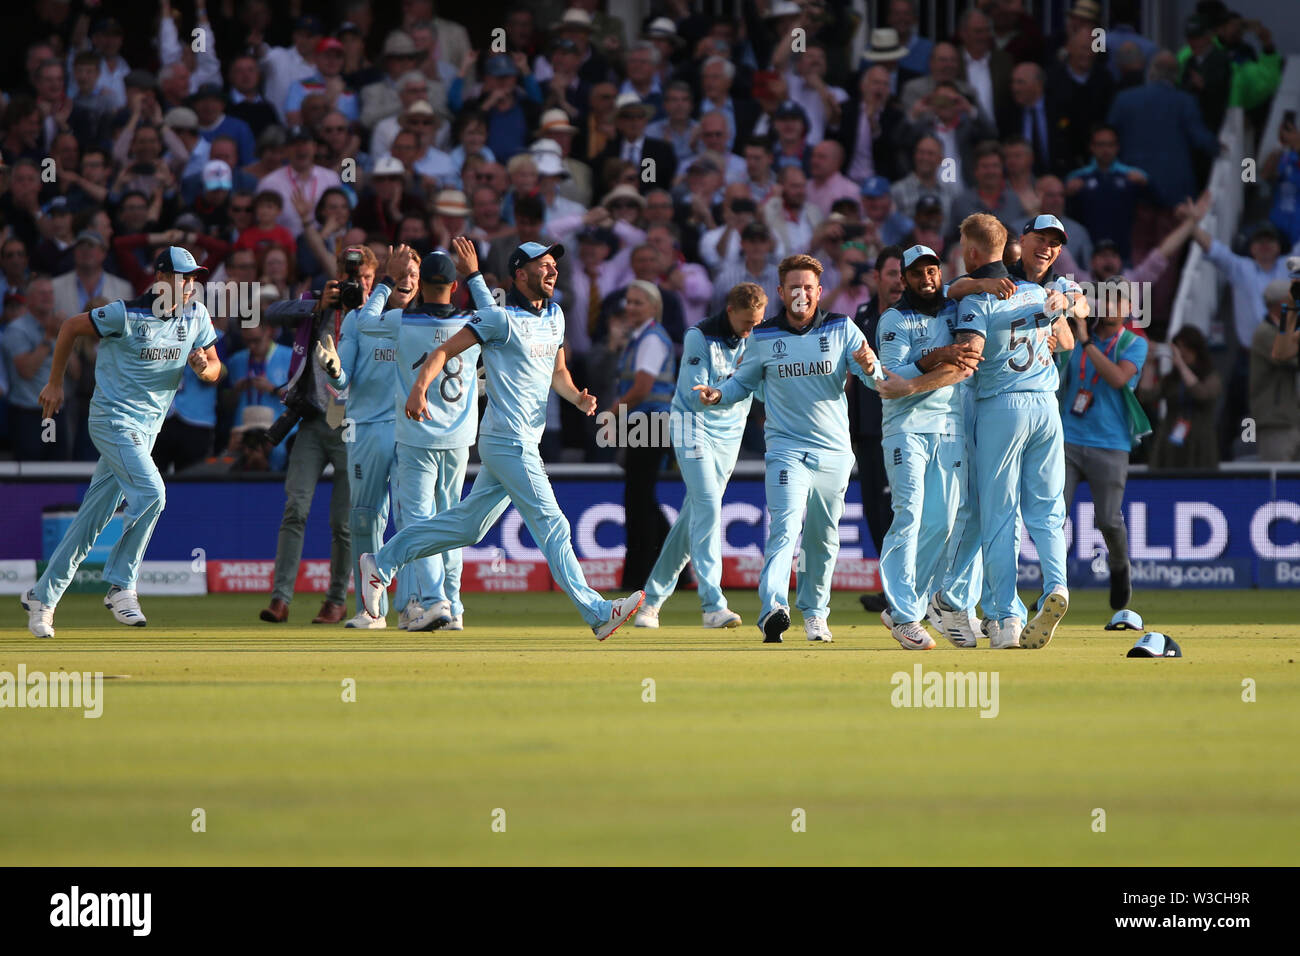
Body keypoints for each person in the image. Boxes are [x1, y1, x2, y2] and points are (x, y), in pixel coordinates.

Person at [358, 237, 645, 640]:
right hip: (509, 440)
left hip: (517, 440)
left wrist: (578, 397)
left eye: (553, 265)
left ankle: (381, 563)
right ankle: (597, 611)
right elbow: (444, 352)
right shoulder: (498, 319)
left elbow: (557, 373)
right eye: (542, 265)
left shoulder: (557, 315)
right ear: (519, 273)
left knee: (469, 527)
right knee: (552, 524)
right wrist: (419, 387)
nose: (552, 270)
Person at [21, 247, 220, 638]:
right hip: (111, 420)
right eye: (182, 277)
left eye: (193, 278)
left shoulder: (197, 315)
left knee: (91, 520)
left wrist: (204, 368)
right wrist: (56, 382)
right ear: (161, 278)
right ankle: (121, 586)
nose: (189, 285)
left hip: (147, 430)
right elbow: (70, 328)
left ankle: (42, 597)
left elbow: (215, 366)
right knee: (153, 494)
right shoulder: (124, 314)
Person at [695, 254, 880, 644]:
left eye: (808, 287)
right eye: (794, 287)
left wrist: (869, 364)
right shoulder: (763, 337)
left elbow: (872, 376)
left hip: (832, 452)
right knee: (785, 527)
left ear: (819, 291)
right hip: (786, 449)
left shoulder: (842, 327)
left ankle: (815, 613)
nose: (801, 294)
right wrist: (717, 394)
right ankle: (773, 610)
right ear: (781, 292)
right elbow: (741, 384)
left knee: (824, 536)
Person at [949, 214, 1069, 650]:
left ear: (972, 251)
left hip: (1002, 407)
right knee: (1047, 511)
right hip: (1047, 408)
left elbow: (971, 353)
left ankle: (1004, 619)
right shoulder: (1040, 291)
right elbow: (1078, 310)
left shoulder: (978, 301)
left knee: (1000, 519)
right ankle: (1057, 585)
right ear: (1017, 244)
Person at [347, 246, 481, 630]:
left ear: (421, 286)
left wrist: (388, 278)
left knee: (420, 520)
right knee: (450, 519)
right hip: (458, 438)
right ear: (454, 286)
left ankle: (436, 599)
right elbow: (494, 314)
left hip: (417, 435)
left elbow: (365, 320)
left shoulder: (402, 321)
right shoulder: (474, 322)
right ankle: (452, 607)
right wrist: (475, 276)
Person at [634, 283, 767, 629]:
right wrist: (712, 394)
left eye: (757, 322)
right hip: (692, 426)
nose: (750, 331)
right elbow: (695, 396)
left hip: (730, 434)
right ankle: (713, 605)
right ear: (730, 311)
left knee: (692, 516)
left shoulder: (761, 336)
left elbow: (764, 388)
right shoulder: (700, 336)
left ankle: (649, 602)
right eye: (745, 323)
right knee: (708, 505)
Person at [875, 245, 982, 650]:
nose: (926, 279)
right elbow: (889, 380)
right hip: (907, 428)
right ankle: (904, 615)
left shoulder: (956, 309)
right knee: (909, 516)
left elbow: (967, 361)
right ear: (903, 279)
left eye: (932, 271)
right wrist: (937, 356)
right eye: (916, 273)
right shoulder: (894, 318)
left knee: (943, 523)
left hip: (950, 427)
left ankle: (909, 605)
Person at [257, 248, 368, 624]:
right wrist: (318, 304)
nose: (356, 283)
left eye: (363, 276)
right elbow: (271, 312)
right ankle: (280, 598)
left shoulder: (379, 316)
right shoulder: (316, 303)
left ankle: (336, 600)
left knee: (344, 521)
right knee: (295, 508)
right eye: (349, 274)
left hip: (354, 426)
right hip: (314, 421)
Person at [1059, 280, 1149, 613]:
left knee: (1108, 519)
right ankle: (1052, 586)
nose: (1109, 306)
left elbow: (1117, 378)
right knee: (1055, 516)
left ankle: (1120, 567)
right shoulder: (1077, 336)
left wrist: (1085, 340)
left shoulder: (1134, 343)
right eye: (1104, 299)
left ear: (1129, 309)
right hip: (1068, 436)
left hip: (1110, 442)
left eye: (1117, 301)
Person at [604, 281, 677, 591]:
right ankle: (676, 569)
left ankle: (636, 578)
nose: (630, 308)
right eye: (629, 302)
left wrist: (612, 412)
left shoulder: (650, 340)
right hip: (648, 422)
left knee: (637, 501)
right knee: (644, 499)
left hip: (649, 423)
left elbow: (642, 387)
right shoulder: (643, 339)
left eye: (638, 303)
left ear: (653, 307)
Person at [1140, 324, 1222, 469]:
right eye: (1178, 348)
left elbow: (1202, 394)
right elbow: (1146, 396)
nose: (1182, 353)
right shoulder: (1171, 379)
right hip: (1171, 440)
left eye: (1186, 348)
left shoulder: (1210, 376)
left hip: (1199, 441)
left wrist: (1181, 365)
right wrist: (1149, 365)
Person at [1247, 279, 1300, 461]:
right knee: (1278, 481)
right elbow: (1289, 358)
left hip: (1292, 419)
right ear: (1282, 304)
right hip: (1275, 421)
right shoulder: (1265, 333)